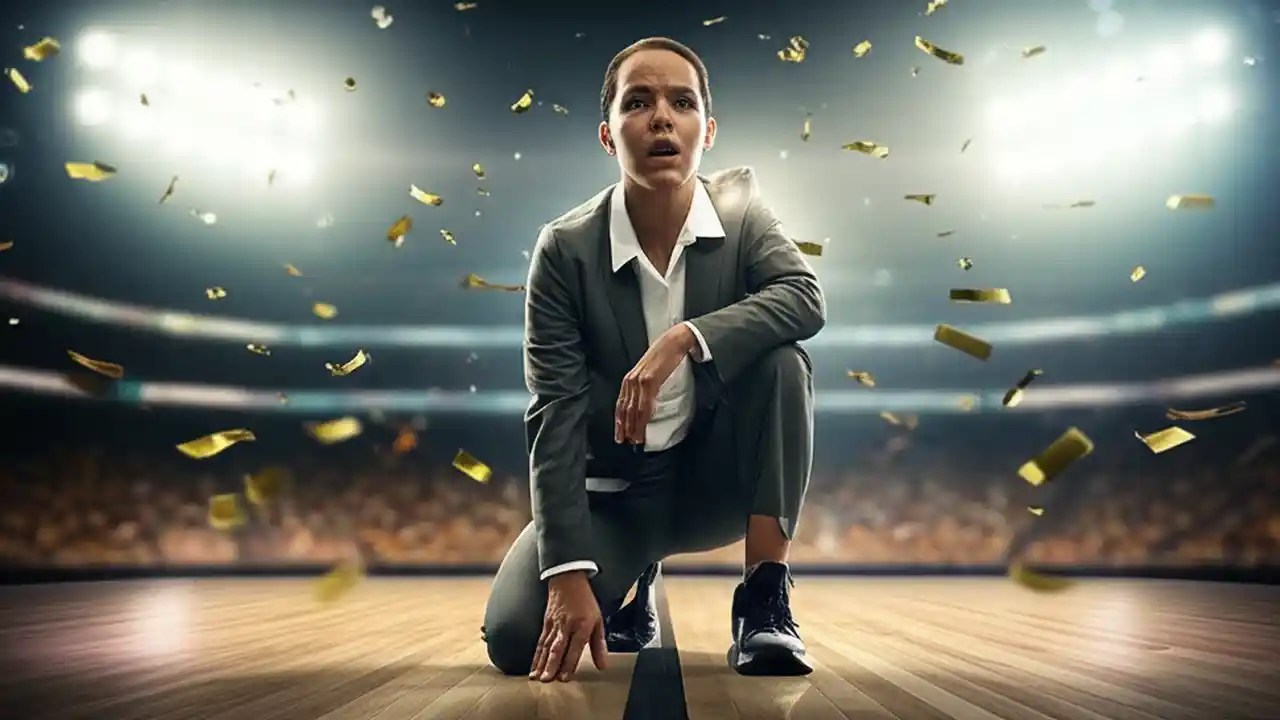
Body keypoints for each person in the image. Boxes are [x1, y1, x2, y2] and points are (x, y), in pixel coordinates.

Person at [482, 36, 826, 683]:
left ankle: (765, 600)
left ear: (708, 129)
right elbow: (553, 414)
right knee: (512, 639)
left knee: (784, 360)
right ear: (609, 136)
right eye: (638, 102)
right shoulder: (563, 251)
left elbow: (805, 298)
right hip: (618, 499)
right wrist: (567, 573)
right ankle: (632, 583)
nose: (662, 117)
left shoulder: (742, 213)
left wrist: (684, 339)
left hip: (716, 483)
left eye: (682, 102)